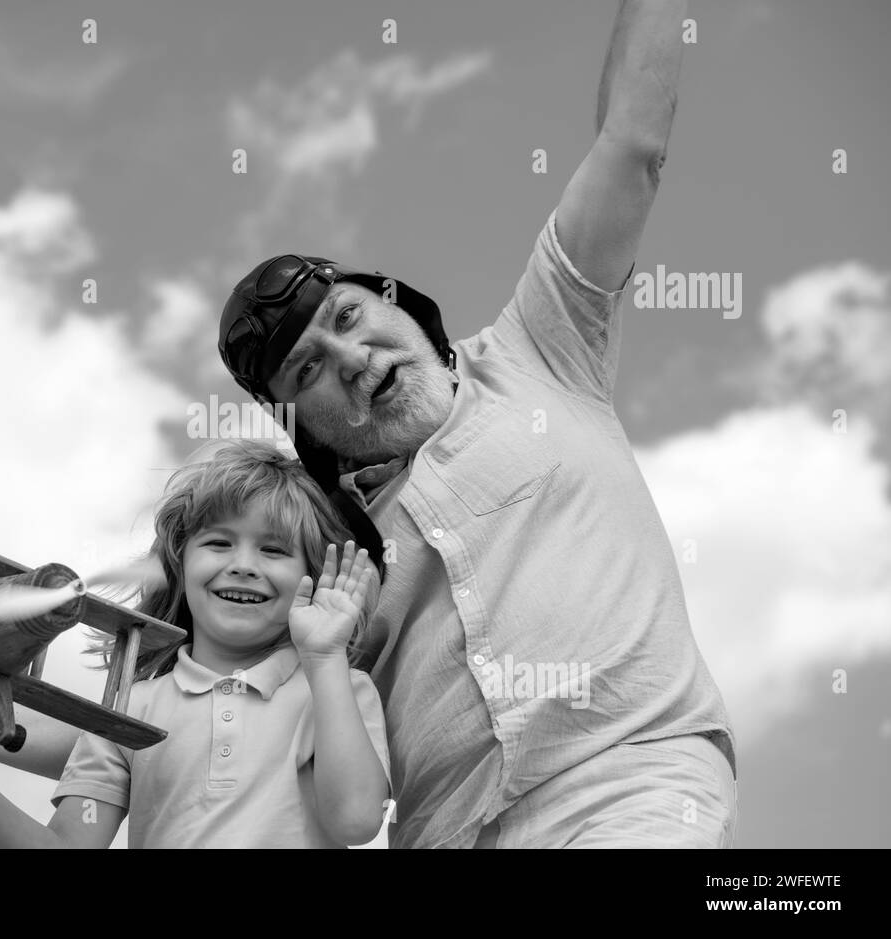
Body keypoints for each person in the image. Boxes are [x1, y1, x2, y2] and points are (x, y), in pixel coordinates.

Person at [214, 0, 737, 848]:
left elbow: (633, 146)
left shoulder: (541, 347)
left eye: (346, 317)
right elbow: (187, 690)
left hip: (629, 785)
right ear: (300, 422)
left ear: (400, 305)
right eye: (307, 368)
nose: (347, 357)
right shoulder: (314, 549)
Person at [0, 440, 391, 848]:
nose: (244, 564)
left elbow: (356, 821)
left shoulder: (338, 690)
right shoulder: (130, 712)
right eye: (218, 542)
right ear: (178, 567)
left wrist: (323, 660)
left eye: (274, 549)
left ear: (313, 577)